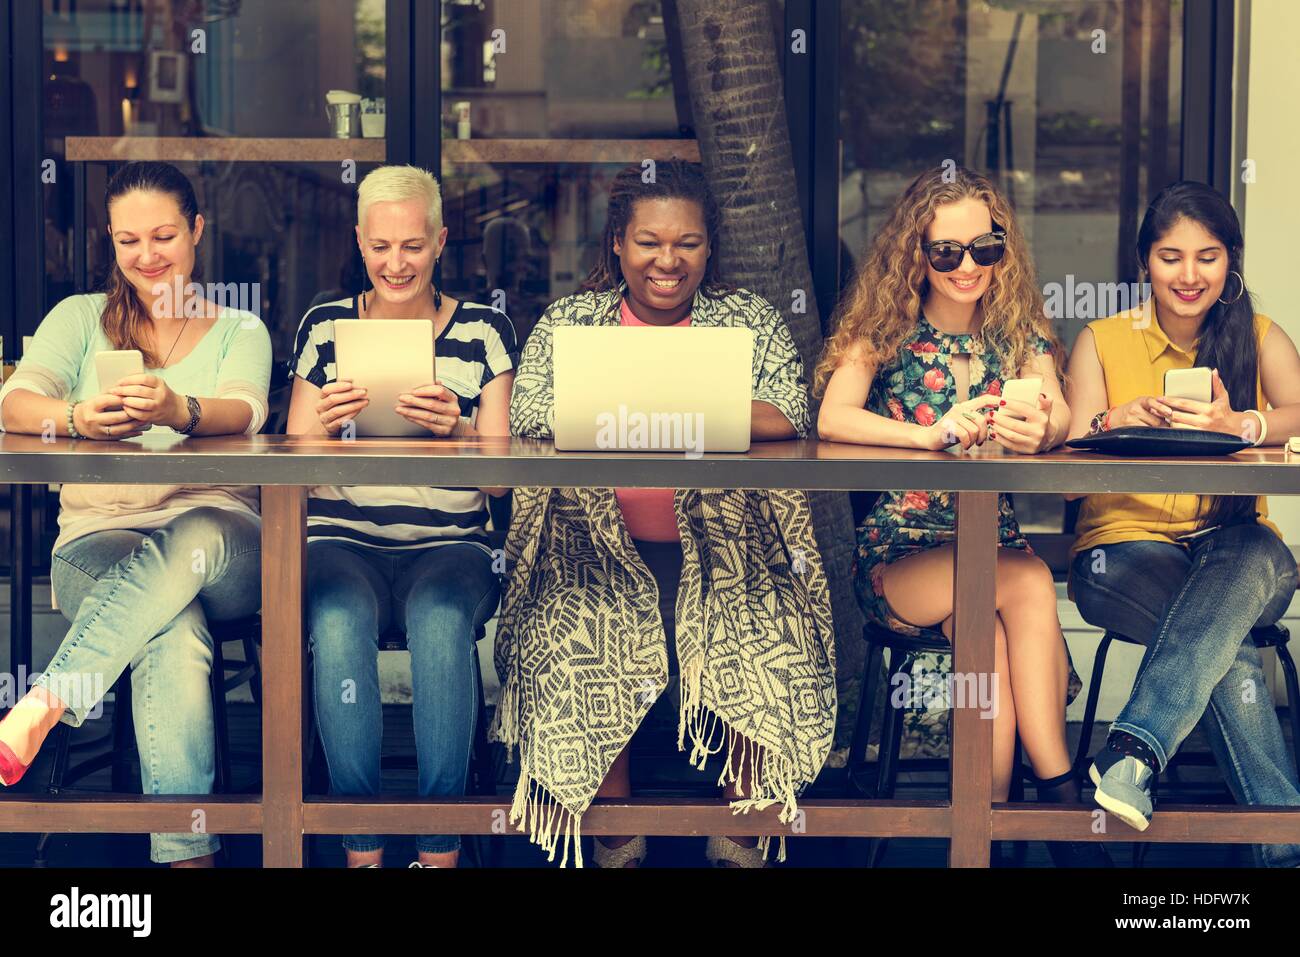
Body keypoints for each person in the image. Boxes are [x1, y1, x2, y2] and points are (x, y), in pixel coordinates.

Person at [493, 159, 836, 867]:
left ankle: (739, 842)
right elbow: (530, 413)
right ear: (618, 241)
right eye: (650, 241)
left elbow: (788, 414)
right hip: (592, 552)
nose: (668, 259)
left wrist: (646, 406)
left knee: (771, 633)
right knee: (571, 636)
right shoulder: (572, 321)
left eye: (688, 242)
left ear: (709, 248)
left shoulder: (746, 320)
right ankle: (619, 842)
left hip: (729, 553)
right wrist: (695, 409)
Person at [816, 164, 1107, 867]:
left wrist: (1042, 425)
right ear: (916, 251)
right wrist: (926, 433)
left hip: (990, 550)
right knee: (1030, 583)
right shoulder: (883, 325)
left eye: (984, 247)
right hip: (901, 557)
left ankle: (985, 836)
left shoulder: (1019, 327)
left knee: (996, 641)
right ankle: (1061, 793)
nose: (967, 265)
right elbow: (831, 416)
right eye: (946, 251)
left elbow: (1059, 411)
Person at [0, 161, 271, 867]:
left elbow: (245, 410)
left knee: (196, 534)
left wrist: (181, 410)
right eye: (128, 240)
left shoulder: (240, 326)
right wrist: (77, 416)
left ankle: (51, 698)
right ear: (110, 241)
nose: (147, 256)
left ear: (197, 231)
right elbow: (13, 403)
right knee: (171, 630)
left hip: (224, 545)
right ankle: (188, 857)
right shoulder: (78, 318)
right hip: (101, 540)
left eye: (164, 236)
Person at [286, 165, 516, 869]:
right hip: (342, 539)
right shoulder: (325, 325)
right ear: (360, 242)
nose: (396, 263)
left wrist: (463, 429)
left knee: (442, 619)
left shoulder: (484, 330)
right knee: (334, 618)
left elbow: (501, 486)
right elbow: (297, 475)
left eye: (412, 246)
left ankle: (438, 852)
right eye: (381, 246)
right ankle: (364, 850)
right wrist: (323, 428)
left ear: (441, 241)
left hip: (449, 543)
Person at [1065, 181, 1300, 864]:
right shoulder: (1103, 341)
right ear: (1144, 263)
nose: (1189, 275)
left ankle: (1134, 749)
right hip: (1122, 555)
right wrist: (1116, 420)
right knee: (1221, 642)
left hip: (1241, 554)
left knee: (1245, 562)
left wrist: (1244, 423)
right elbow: (1071, 440)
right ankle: (1283, 847)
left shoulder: (1257, 336)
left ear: (1230, 261)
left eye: (1207, 256)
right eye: (1170, 257)